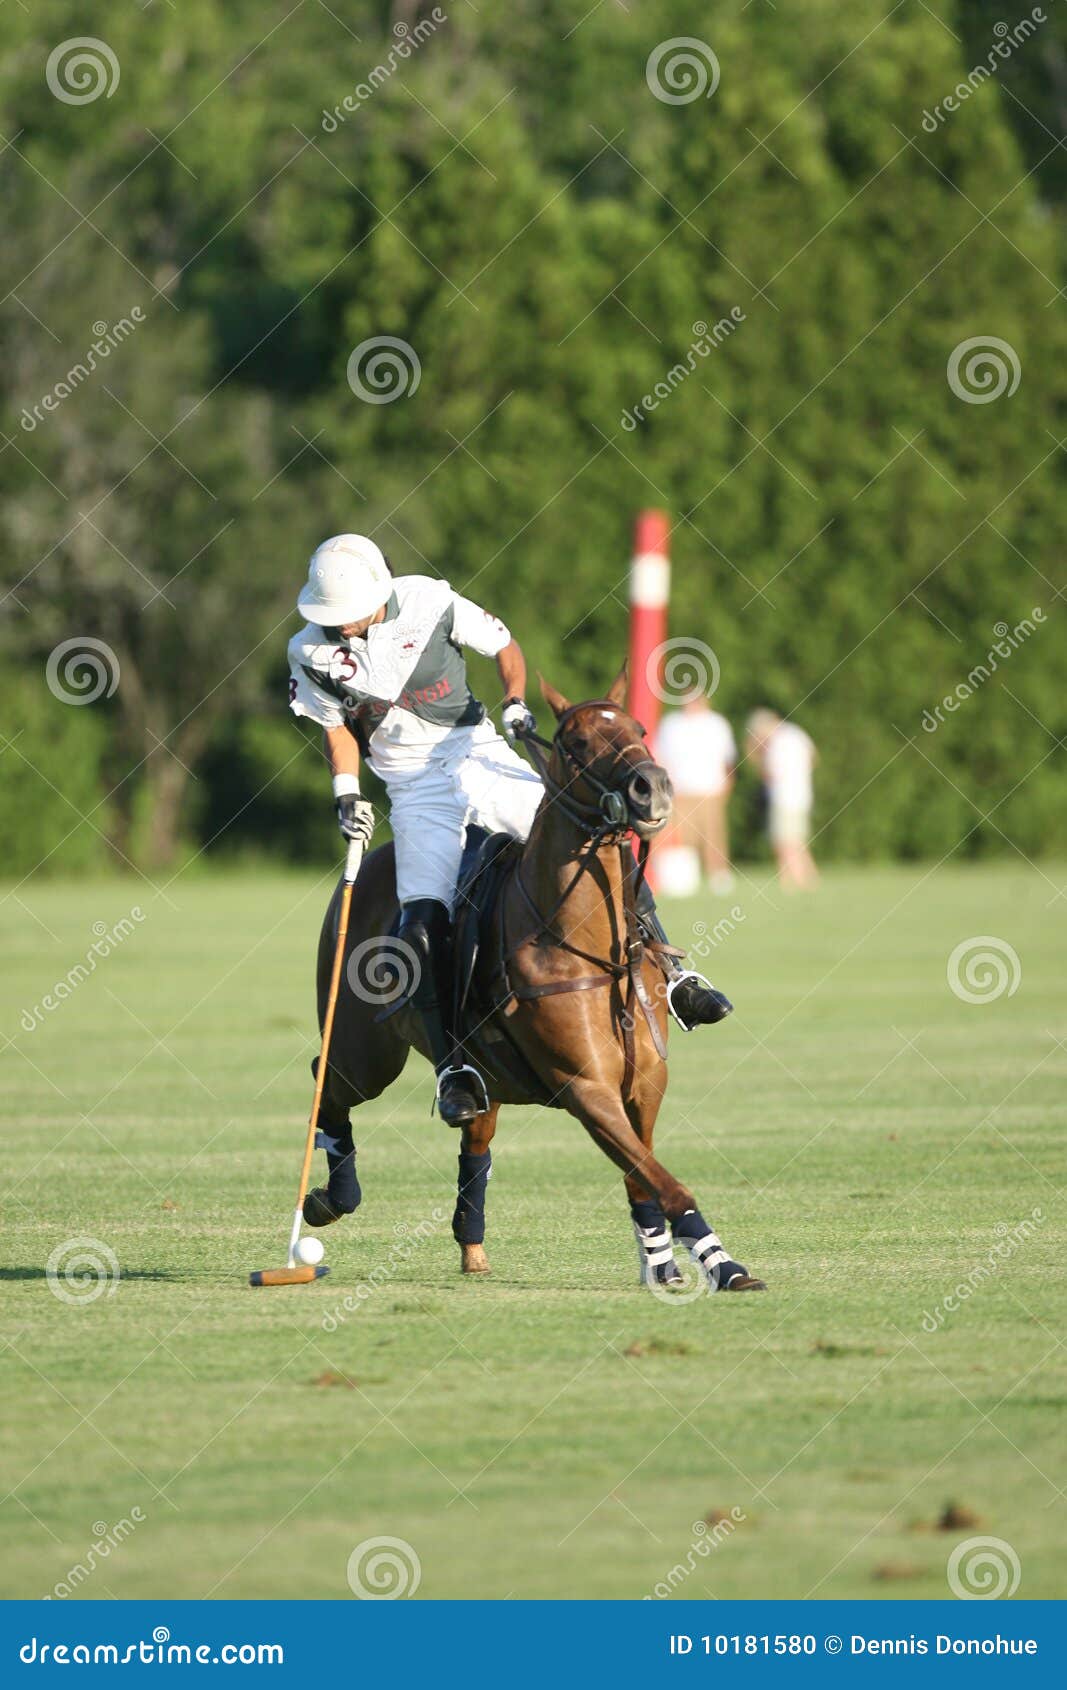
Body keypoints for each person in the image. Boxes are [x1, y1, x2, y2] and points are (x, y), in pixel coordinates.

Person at [288, 534, 734, 1128]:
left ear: (379, 591)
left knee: (597, 847)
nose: (341, 629)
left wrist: (515, 700)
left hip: (479, 755)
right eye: (331, 618)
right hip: (413, 790)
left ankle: (676, 975)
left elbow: (504, 646)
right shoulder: (307, 651)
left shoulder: (428, 600)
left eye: (349, 615)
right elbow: (336, 730)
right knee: (419, 926)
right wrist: (347, 793)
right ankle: (455, 1069)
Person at [656, 696, 737, 892]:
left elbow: (728, 758)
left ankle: (718, 875)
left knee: (713, 836)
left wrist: (728, 783)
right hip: (680, 791)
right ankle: (679, 878)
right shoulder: (671, 724)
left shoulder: (716, 724)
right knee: (679, 837)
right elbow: (660, 755)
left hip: (710, 790)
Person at [746, 708, 818, 889]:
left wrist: (756, 755)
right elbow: (813, 757)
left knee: (784, 841)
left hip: (784, 797)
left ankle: (790, 881)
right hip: (802, 794)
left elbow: (768, 773)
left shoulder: (777, 743)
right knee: (797, 840)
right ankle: (808, 879)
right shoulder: (796, 733)